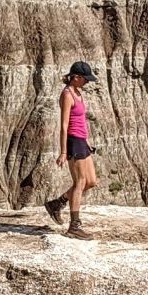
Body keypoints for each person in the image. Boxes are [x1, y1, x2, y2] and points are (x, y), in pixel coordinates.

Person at [49, 60, 97, 238]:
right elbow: (64, 125)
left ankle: (57, 203)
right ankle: (74, 227)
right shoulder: (67, 95)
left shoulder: (78, 92)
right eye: (85, 79)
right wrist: (63, 152)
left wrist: (87, 140)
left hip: (81, 140)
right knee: (80, 183)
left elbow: (81, 120)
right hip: (73, 141)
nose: (87, 82)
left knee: (91, 181)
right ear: (76, 77)